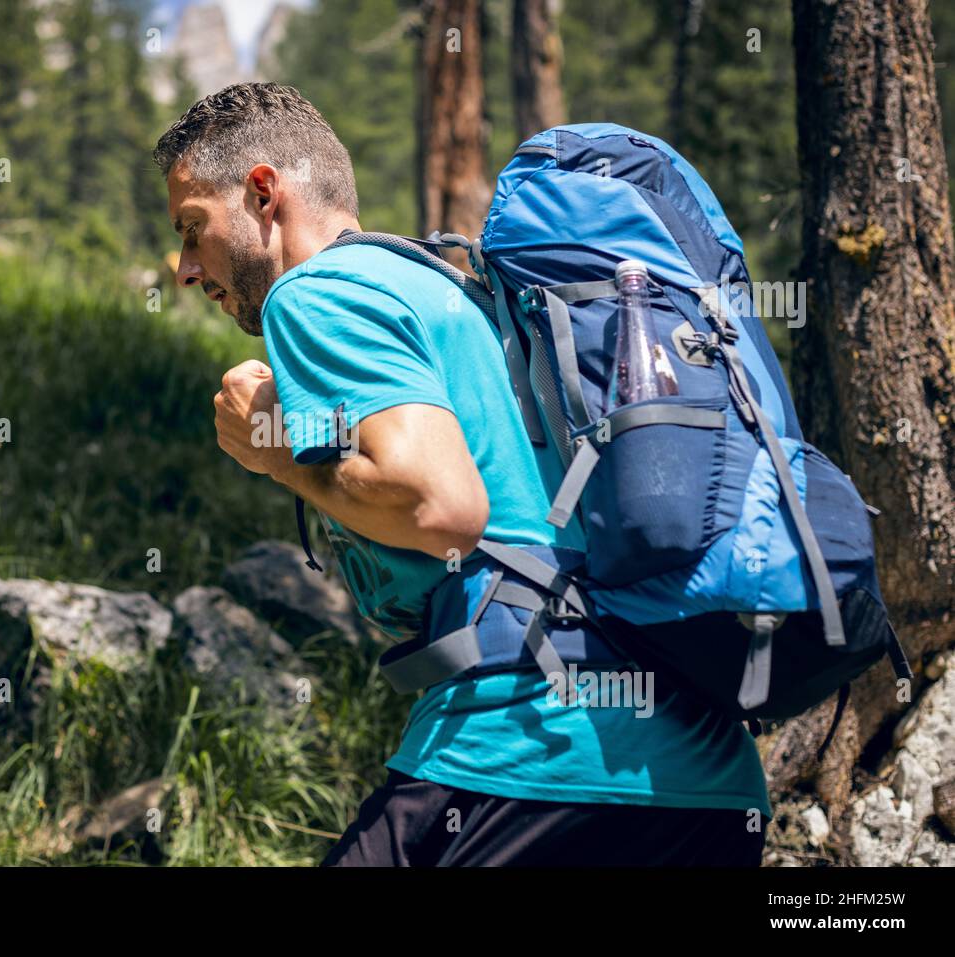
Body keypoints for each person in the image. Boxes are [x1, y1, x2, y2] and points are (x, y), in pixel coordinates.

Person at [152, 81, 770, 867]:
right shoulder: (454, 290)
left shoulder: (314, 292)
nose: (183, 266)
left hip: (529, 746)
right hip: (704, 777)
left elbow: (439, 505)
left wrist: (275, 454)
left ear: (264, 193)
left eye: (192, 229)